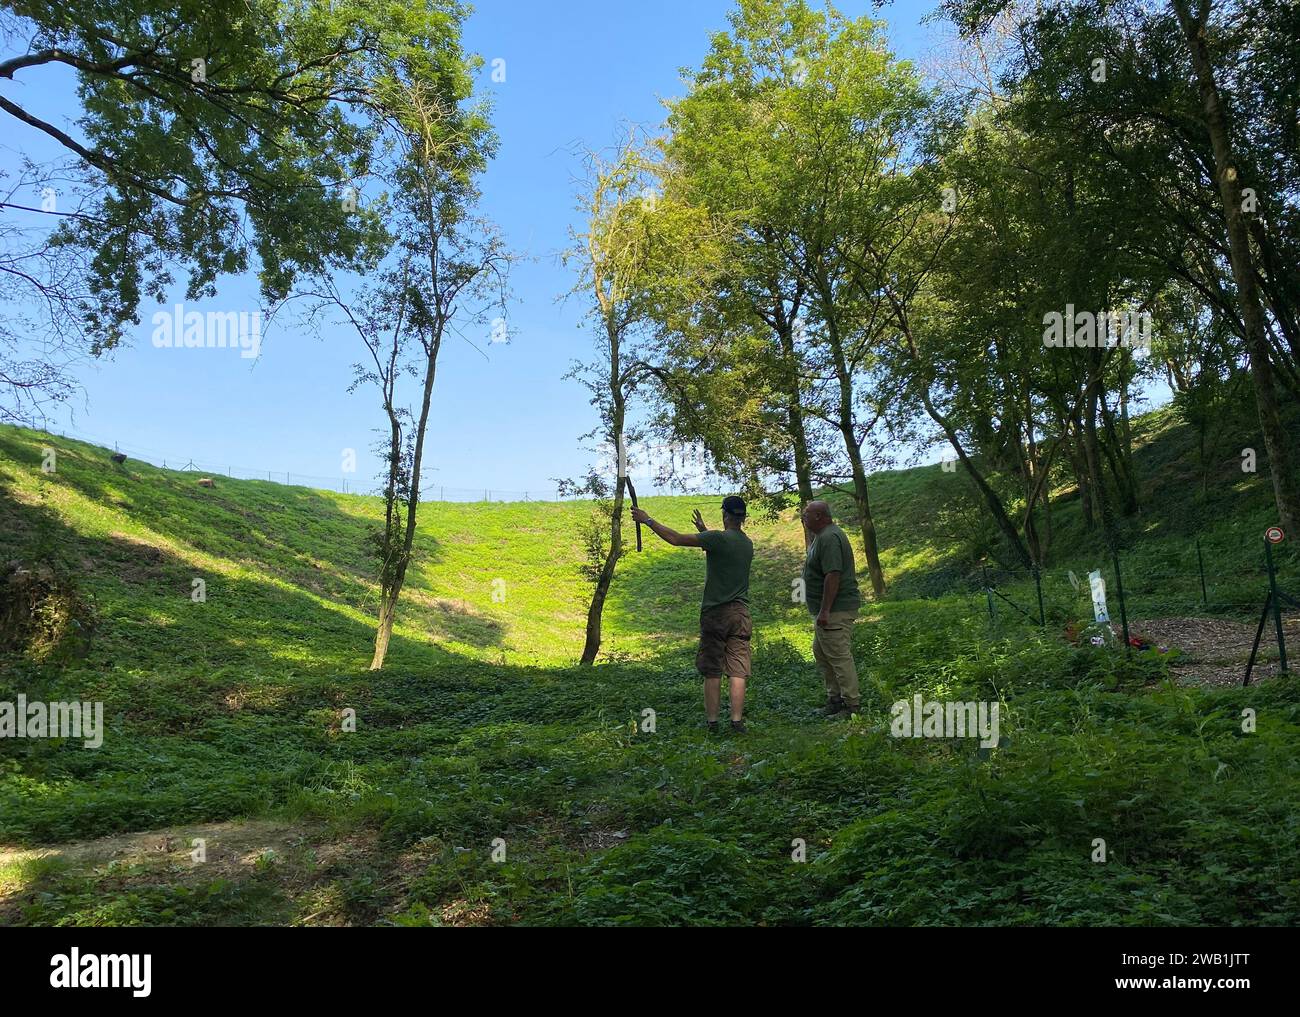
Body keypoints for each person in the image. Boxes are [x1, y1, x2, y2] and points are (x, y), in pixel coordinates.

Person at [630, 496, 754, 733]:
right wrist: (703, 531)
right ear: (743, 517)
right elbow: (721, 550)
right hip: (741, 614)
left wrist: (647, 520)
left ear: (725, 515)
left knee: (713, 668)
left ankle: (713, 723)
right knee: (738, 669)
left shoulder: (718, 538)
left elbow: (675, 539)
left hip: (716, 613)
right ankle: (737, 722)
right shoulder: (746, 543)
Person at [800, 500, 862, 717]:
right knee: (822, 653)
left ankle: (851, 704)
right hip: (826, 611)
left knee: (838, 656)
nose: (803, 517)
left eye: (806, 514)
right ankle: (834, 699)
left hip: (835, 610)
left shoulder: (829, 537)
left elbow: (833, 574)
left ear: (819, 516)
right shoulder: (821, 537)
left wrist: (825, 610)